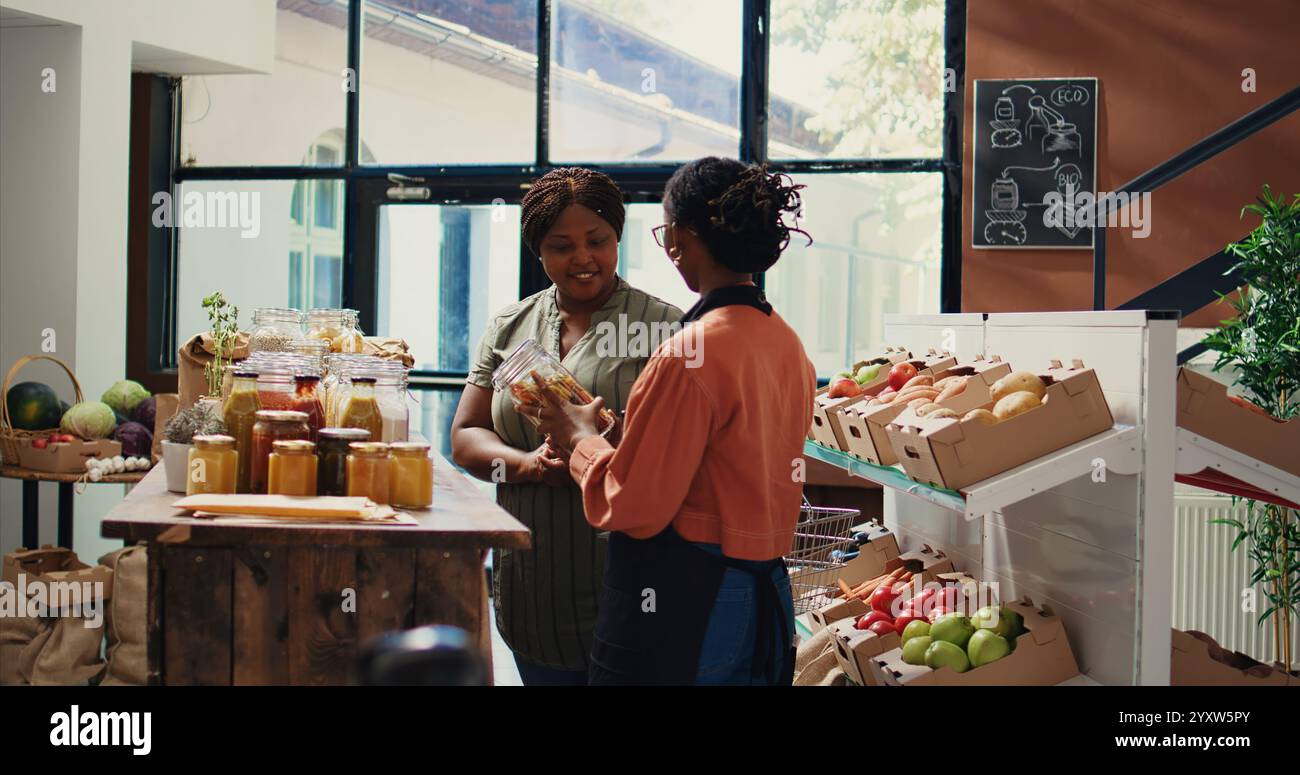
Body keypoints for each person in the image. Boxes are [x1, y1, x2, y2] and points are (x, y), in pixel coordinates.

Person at [530, 157, 817, 685]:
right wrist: (626, 439)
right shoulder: (785, 342)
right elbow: (724, 464)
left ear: (681, 238)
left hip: (690, 597)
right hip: (764, 592)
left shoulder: (689, 352)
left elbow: (634, 506)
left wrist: (580, 438)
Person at [451, 167, 681, 686]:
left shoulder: (664, 327)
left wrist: (608, 443)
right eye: (561, 245)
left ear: (616, 238)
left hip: (626, 585)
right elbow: (466, 437)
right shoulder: (509, 325)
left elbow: (682, 456)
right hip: (531, 586)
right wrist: (530, 466)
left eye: (596, 240)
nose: (582, 258)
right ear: (539, 251)